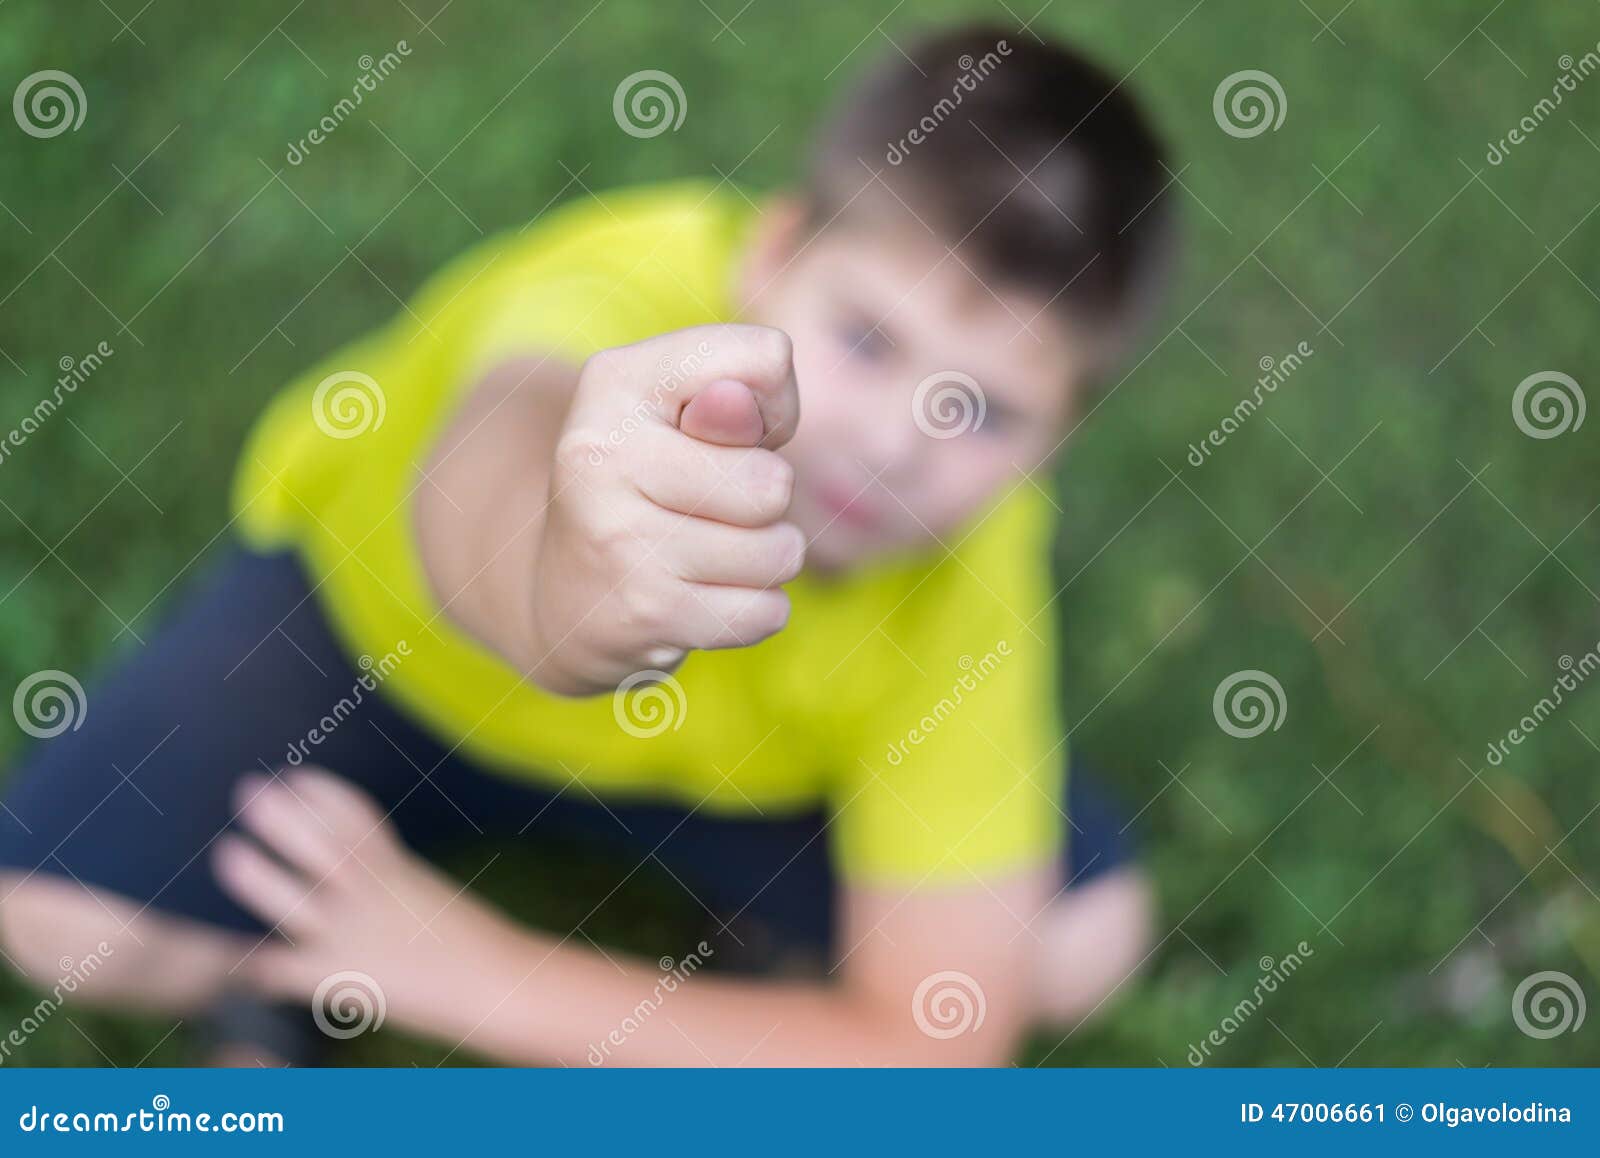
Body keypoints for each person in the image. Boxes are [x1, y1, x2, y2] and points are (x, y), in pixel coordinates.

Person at [0, 22, 1171, 1065]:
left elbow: (932, 1054)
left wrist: (473, 973)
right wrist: (564, 576)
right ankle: (306, 963)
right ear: (772, 254)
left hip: (723, 778)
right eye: (867, 340)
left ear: (1062, 438)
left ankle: (479, 951)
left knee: (1075, 945)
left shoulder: (972, 569)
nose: (898, 443)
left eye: (987, 412)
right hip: (387, 662)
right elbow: (499, 441)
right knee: (61, 921)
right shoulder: (619, 285)